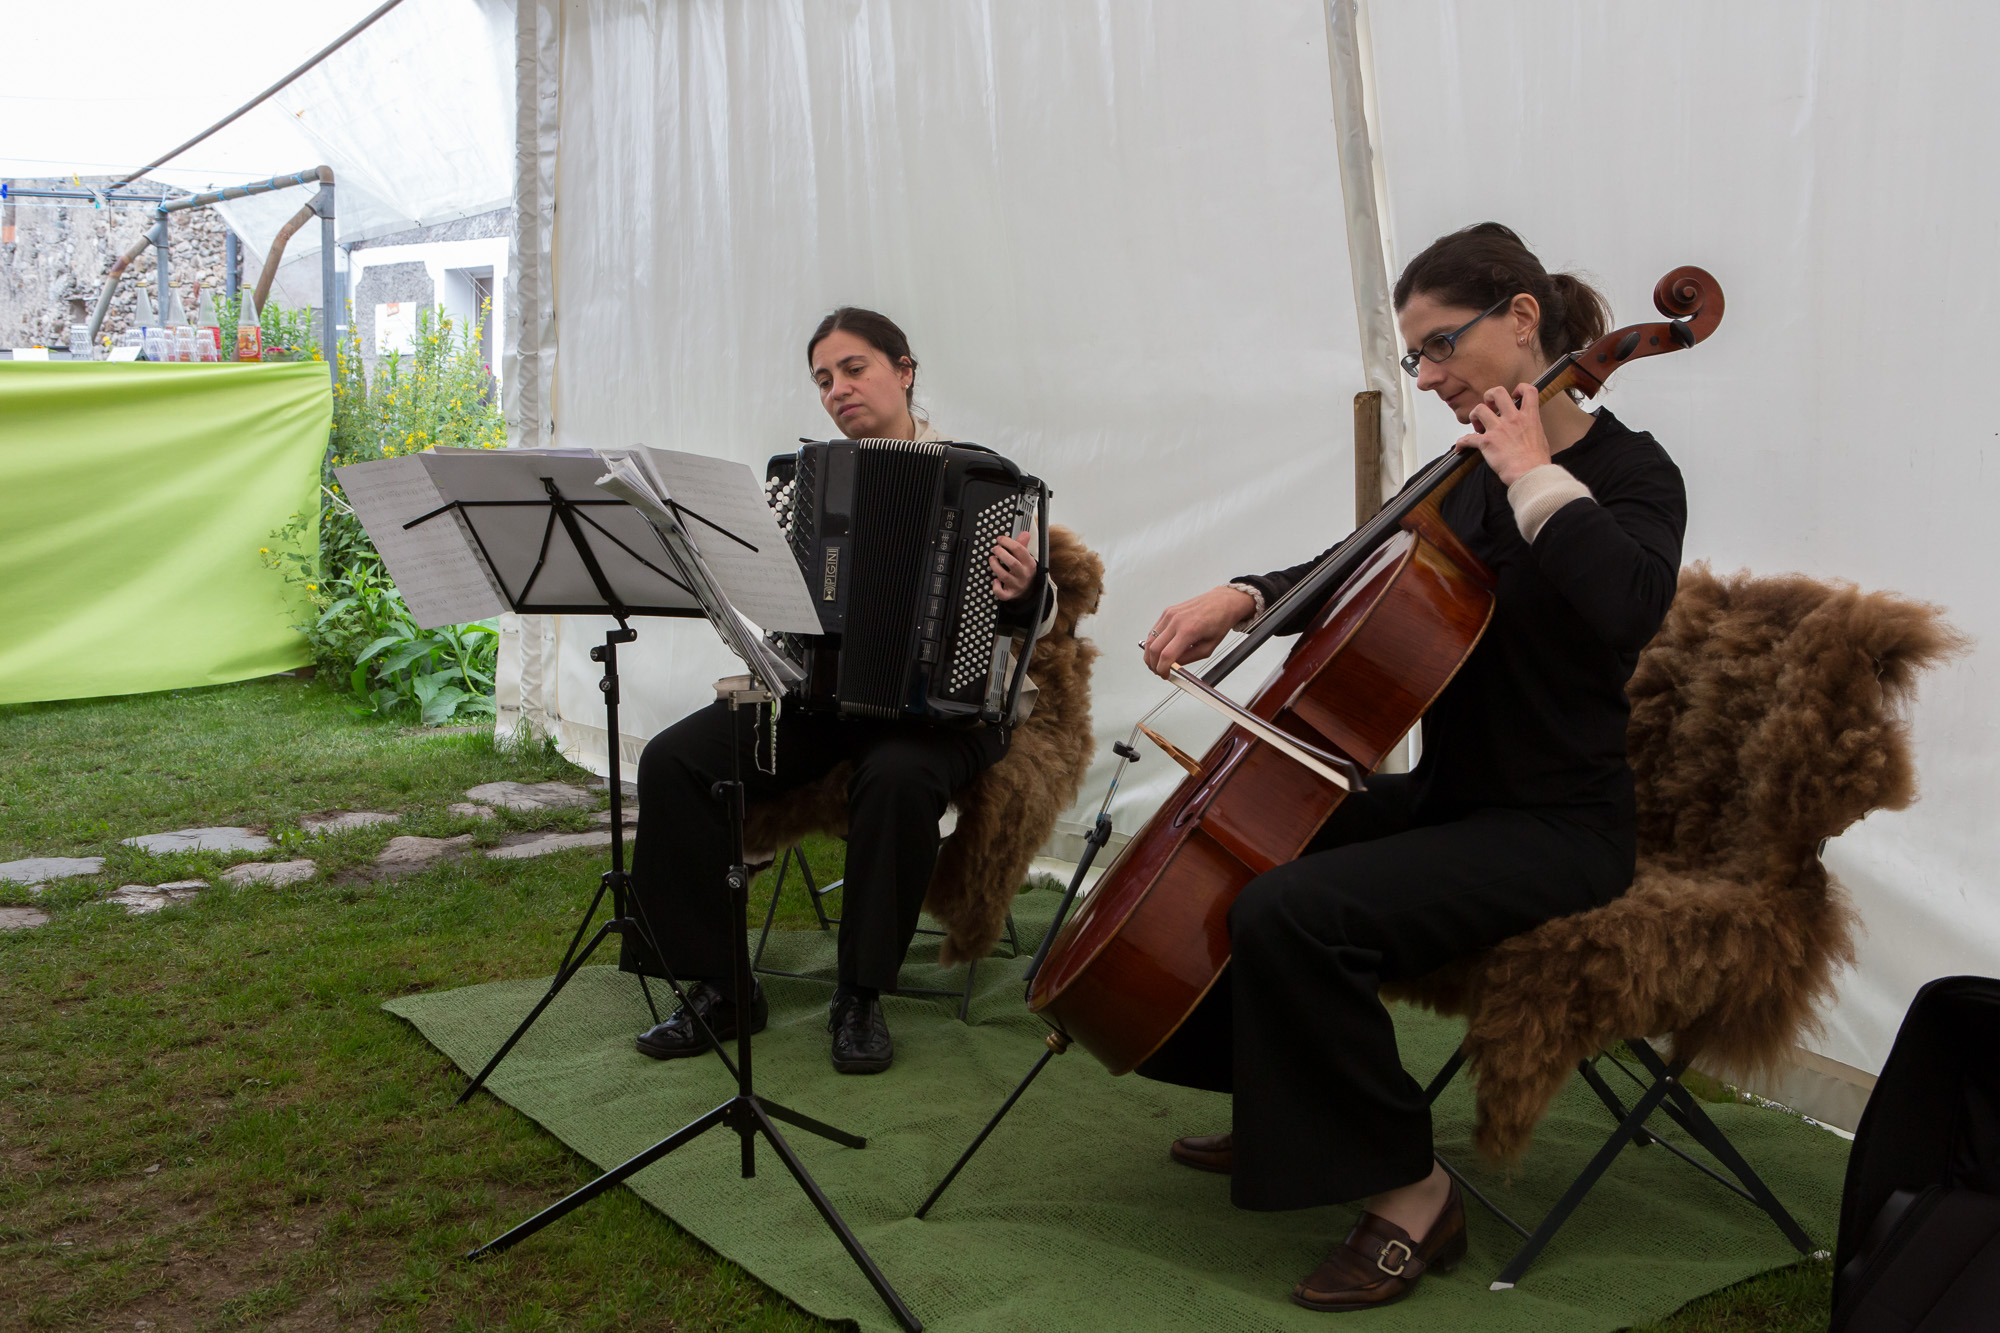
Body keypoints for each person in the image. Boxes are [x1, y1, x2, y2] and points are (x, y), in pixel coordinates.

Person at [1135, 223, 1687, 1311]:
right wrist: (1247, 595)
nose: (1427, 378)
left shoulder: (1628, 472)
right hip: (1456, 798)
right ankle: (1281, 1102)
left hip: (1558, 829)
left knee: (1297, 910)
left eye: (1439, 348)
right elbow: (1364, 568)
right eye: (1415, 358)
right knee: (1250, 842)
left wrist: (1531, 471)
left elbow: (1627, 603)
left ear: (1522, 319)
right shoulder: (1465, 477)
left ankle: (1410, 1191)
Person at [621, 307, 1051, 1075]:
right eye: (823, 379)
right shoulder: (808, 485)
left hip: (946, 711)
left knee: (896, 777)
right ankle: (721, 984)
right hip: (822, 699)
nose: (837, 390)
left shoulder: (983, 479)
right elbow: (784, 607)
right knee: (673, 759)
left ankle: (859, 995)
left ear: (904, 370)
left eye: (853, 368)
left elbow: (1043, 614)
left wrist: (1023, 590)